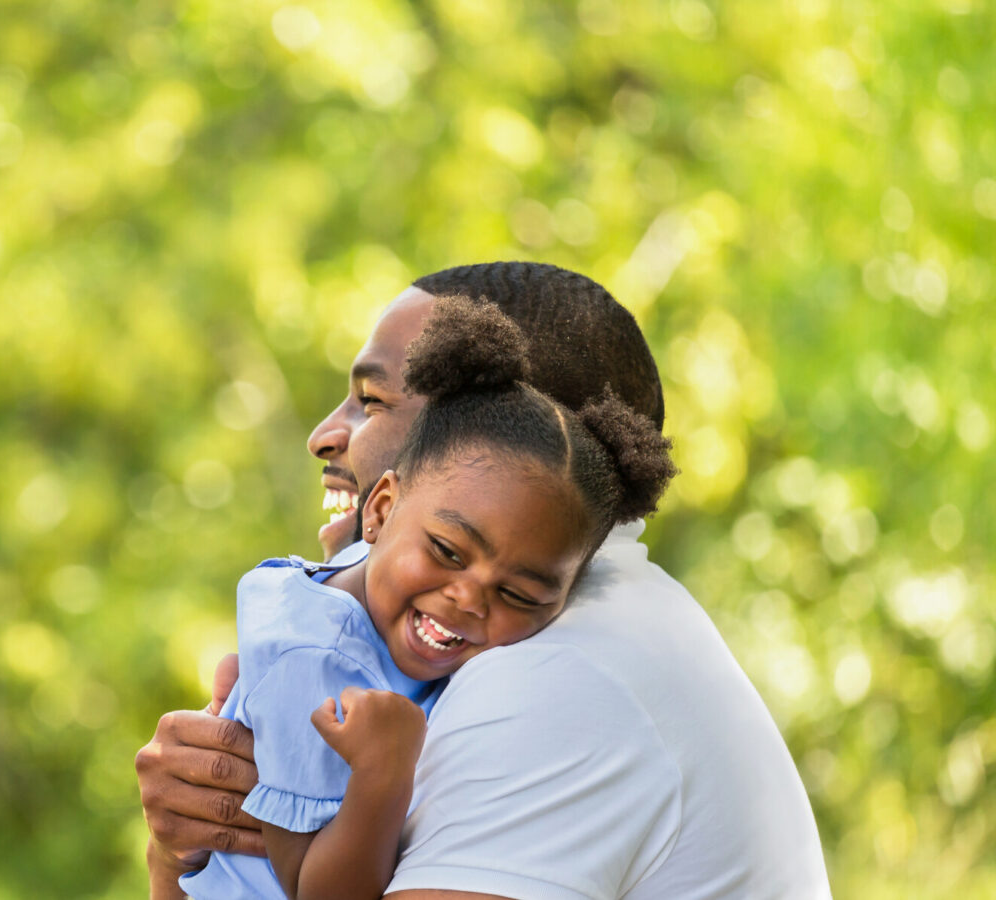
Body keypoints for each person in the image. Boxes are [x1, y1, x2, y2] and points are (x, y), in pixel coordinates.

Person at [136, 262, 831, 899]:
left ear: (503, 430)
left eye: (372, 401)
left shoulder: (553, 675)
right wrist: (184, 852)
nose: (324, 434)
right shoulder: (465, 625)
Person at [180, 296, 675, 900]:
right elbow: (315, 891)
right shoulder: (313, 663)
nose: (468, 597)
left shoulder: (395, 589)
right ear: (381, 509)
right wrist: (382, 774)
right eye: (446, 552)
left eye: (519, 594)